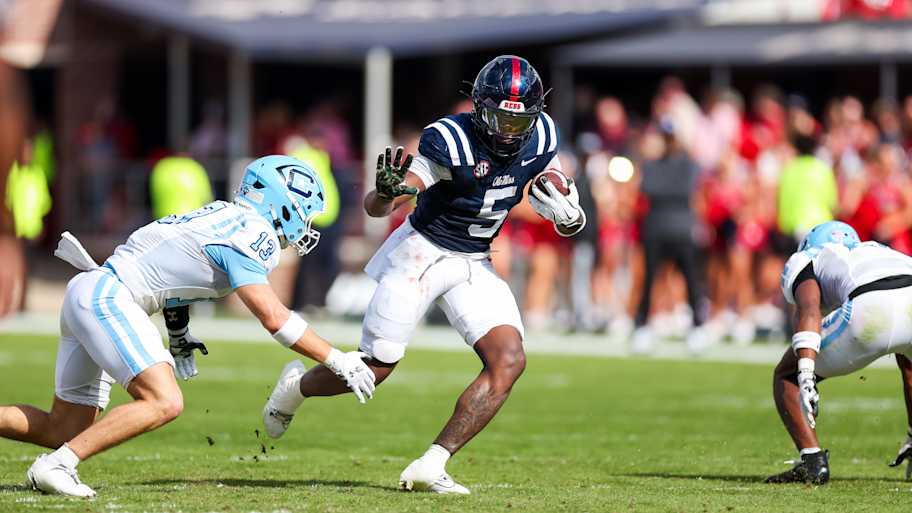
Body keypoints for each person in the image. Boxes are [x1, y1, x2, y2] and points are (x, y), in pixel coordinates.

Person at [261, 55, 586, 494]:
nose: (509, 133)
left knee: (509, 359)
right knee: (375, 368)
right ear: (479, 107)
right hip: (421, 255)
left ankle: (433, 463)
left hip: (475, 259)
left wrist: (564, 204)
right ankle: (296, 388)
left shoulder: (544, 131)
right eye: (500, 121)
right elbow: (382, 204)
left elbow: (549, 179)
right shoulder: (450, 139)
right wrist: (386, 193)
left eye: (518, 123)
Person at [0, 155, 376, 497]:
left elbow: (172, 277)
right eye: (303, 214)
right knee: (164, 401)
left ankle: (60, 454)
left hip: (92, 290)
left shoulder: (223, 215)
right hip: (110, 298)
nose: (304, 227)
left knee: (63, 430)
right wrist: (335, 358)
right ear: (282, 206)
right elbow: (272, 316)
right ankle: (57, 466)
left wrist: (178, 334)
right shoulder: (254, 233)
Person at [767, 221, 912, 484]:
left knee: (787, 374)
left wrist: (807, 373)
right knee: (909, 361)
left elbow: (809, 309)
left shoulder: (809, 257)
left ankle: (812, 462)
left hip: (872, 310)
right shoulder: (879, 249)